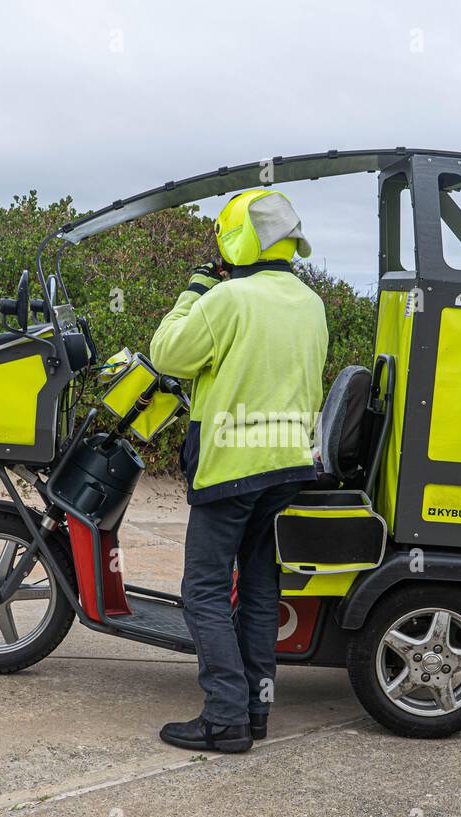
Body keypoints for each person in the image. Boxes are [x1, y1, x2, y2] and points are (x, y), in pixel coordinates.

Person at [149, 189, 327, 752]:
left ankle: (224, 717)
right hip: (288, 465)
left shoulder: (229, 300)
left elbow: (168, 353)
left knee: (202, 589)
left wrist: (197, 287)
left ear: (236, 239)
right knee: (257, 589)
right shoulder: (310, 303)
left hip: (230, 466)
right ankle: (255, 712)